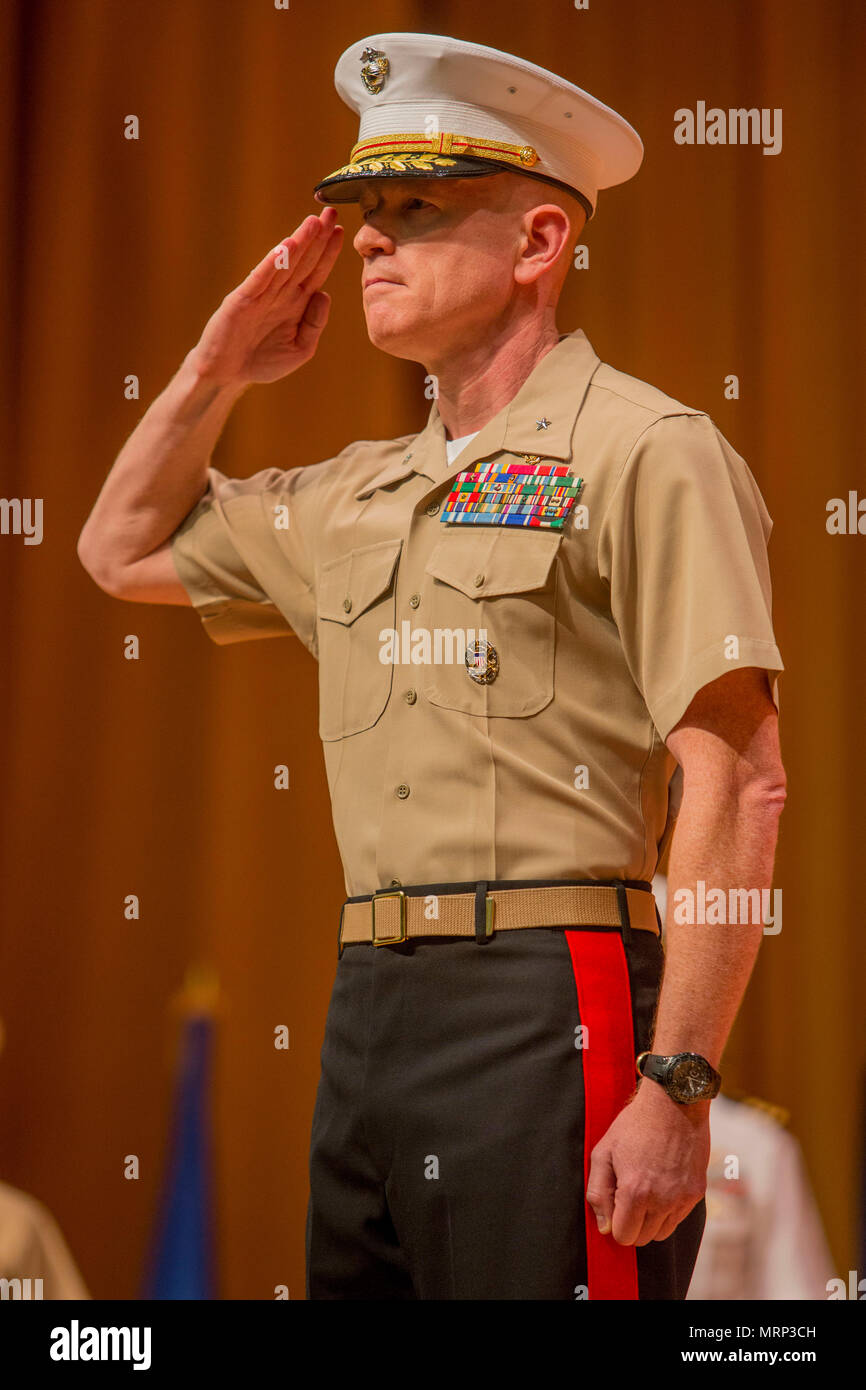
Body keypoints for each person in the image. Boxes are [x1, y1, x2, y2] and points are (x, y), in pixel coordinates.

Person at [76, 32, 786, 1300]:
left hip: (550, 999)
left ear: (537, 244)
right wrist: (211, 371)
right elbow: (116, 547)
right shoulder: (357, 493)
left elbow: (734, 781)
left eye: (414, 206)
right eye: (360, 209)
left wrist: (678, 1083)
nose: (363, 239)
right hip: (367, 1005)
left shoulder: (644, 448)